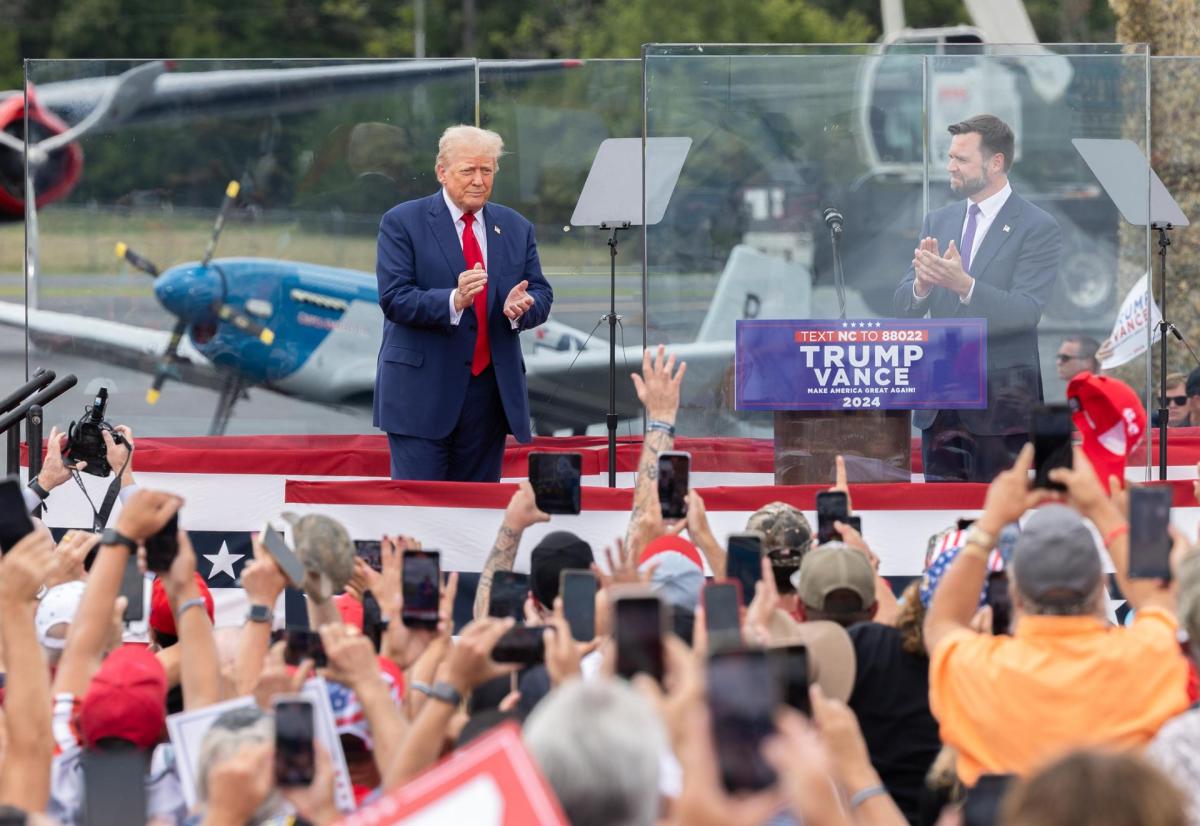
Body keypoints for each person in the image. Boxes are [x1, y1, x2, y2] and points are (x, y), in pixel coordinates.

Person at [924, 445, 1189, 789]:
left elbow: (942, 622)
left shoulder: (978, 669)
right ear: (1101, 587)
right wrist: (1100, 509)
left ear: (1015, 593)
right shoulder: (1149, 654)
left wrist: (991, 523)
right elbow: (1159, 599)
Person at [373, 124, 553, 482]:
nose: (478, 180)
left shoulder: (516, 227)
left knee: (477, 515)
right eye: (468, 170)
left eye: (487, 171)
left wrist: (523, 307)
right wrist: (454, 300)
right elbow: (394, 298)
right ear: (442, 172)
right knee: (421, 515)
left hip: (489, 399)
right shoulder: (402, 222)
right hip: (421, 396)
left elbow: (541, 293)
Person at [894, 114, 1062, 483]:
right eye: (950, 157)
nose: (951, 167)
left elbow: (1026, 311)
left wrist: (964, 285)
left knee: (998, 523)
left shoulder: (1037, 227)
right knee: (940, 519)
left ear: (996, 162)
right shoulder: (938, 220)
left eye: (961, 159)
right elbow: (904, 302)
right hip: (940, 407)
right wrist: (922, 285)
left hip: (1000, 410)